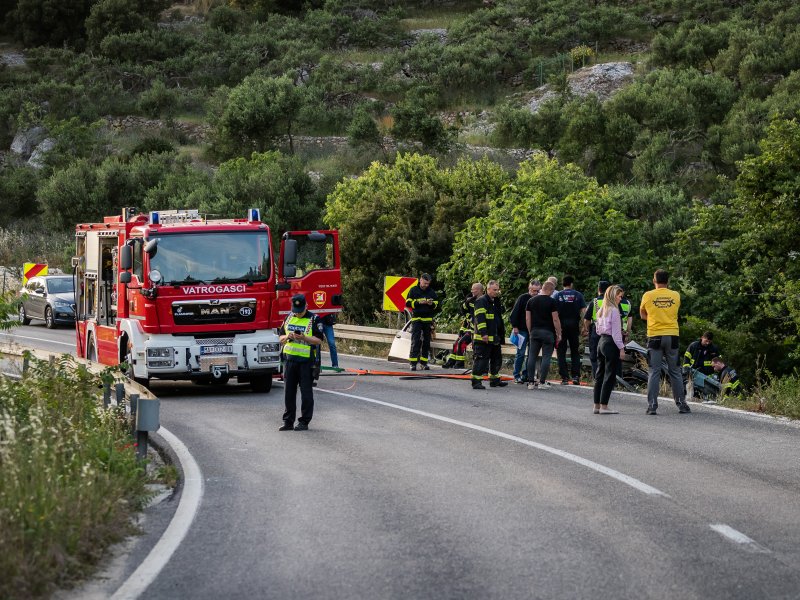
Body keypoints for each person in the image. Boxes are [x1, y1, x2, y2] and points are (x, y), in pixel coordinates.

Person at [639, 269, 691, 415]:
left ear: (653, 280)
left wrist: (653, 318)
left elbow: (642, 314)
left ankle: (652, 406)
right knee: (675, 371)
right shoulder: (675, 295)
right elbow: (675, 312)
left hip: (655, 335)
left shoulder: (648, 295)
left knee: (654, 371)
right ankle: (682, 404)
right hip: (672, 335)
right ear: (668, 281)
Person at [278, 294, 324, 431]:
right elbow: (280, 338)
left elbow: (319, 340)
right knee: (289, 393)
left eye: (300, 310)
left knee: (306, 393)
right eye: (295, 310)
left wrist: (304, 337)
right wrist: (288, 336)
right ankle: (288, 421)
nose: (297, 313)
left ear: (306, 306)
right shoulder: (288, 318)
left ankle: (304, 422)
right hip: (290, 361)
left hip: (306, 362)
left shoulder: (314, 319)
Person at [593, 285, 626, 414]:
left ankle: (596, 405)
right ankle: (604, 406)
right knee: (610, 375)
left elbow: (597, 329)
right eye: (619, 296)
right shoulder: (614, 311)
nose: (620, 299)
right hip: (611, 343)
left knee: (599, 374)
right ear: (613, 296)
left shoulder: (601, 310)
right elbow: (616, 333)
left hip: (601, 341)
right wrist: (622, 348)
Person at [471, 280, 507, 390]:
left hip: (495, 337)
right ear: (488, 289)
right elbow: (480, 319)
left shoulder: (495, 301)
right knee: (481, 360)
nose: (496, 292)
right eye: (494, 290)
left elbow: (498, 318)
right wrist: (483, 334)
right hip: (483, 338)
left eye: (497, 290)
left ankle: (494, 380)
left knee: (496, 359)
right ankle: (476, 382)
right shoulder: (481, 301)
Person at [526, 280, 562, 390]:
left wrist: (530, 331)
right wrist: (559, 333)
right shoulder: (552, 302)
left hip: (535, 332)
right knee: (546, 357)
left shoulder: (531, 301)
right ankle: (541, 382)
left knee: (532, 356)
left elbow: (528, 318)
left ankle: (531, 382)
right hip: (548, 333)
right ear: (550, 290)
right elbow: (555, 319)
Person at [443, 282, 483, 369]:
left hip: (478, 330)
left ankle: (461, 364)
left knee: (463, 343)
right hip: (469, 328)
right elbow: (464, 312)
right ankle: (453, 362)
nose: (472, 291)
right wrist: (462, 329)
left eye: (474, 290)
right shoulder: (471, 300)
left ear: (479, 291)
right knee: (457, 343)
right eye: (471, 290)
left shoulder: (483, 301)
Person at [509, 280, 541, 384]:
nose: (535, 293)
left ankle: (526, 374)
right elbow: (515, 313)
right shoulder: (523, 298)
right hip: (522, 330)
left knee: (531, 355)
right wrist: (515, 326)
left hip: (533, 330)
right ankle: (516, 375)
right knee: (521, 353)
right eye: (533, 290)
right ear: (529, 288)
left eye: (537, 291)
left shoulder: (539, 299)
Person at [556, 274, 586, 385]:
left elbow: (554, 313)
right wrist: (584, 326)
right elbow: (584, 312)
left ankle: (564, 377)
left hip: (561, 327)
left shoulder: (558, 295)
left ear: (562, 283)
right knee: (575, 351)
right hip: (574, 326)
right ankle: (575, 377)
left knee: (561, 352)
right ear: (571, 284)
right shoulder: (578, 295)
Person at [406, 273, 439, 371]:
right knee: (416, 341)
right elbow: (407, 303)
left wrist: (431, 303)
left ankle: (424, 363)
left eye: (428, 284)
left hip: (427, 320)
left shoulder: (431, 292)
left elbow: (437, 305)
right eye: (425, 283)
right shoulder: (413, 290)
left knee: (426, 342)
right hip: (417, 319)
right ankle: (413, 363)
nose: (426, 285)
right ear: (420, 280)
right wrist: (418, 302)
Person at [582, 280, 610, 379]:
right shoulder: (612, 302)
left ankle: (597, 377)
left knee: (594, 355)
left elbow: (586, 319)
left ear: (598, 289)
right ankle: (606, 378)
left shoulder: (594, 302)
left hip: (596, 329)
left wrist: (587, 329)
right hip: (609, 331)